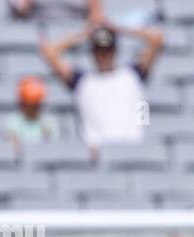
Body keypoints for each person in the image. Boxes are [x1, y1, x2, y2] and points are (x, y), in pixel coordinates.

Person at [41, 23, 164, 151]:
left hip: (132, 149)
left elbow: (156, 39)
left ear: (115, 51)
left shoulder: (132, 75)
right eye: (99, 51)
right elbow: (50, 52)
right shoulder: (83, 81)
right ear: (93, 53)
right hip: (98, 154)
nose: (103, 56)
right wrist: (87, 32)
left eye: (107, 50)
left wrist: (117, 28)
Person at [1, 76, 59, 148]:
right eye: (29, 105)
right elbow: (10, 147)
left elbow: (52, 148)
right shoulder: (11, 122)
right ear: (22, 103)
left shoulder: (49, 122)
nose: (33, 108)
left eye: (36, 105)